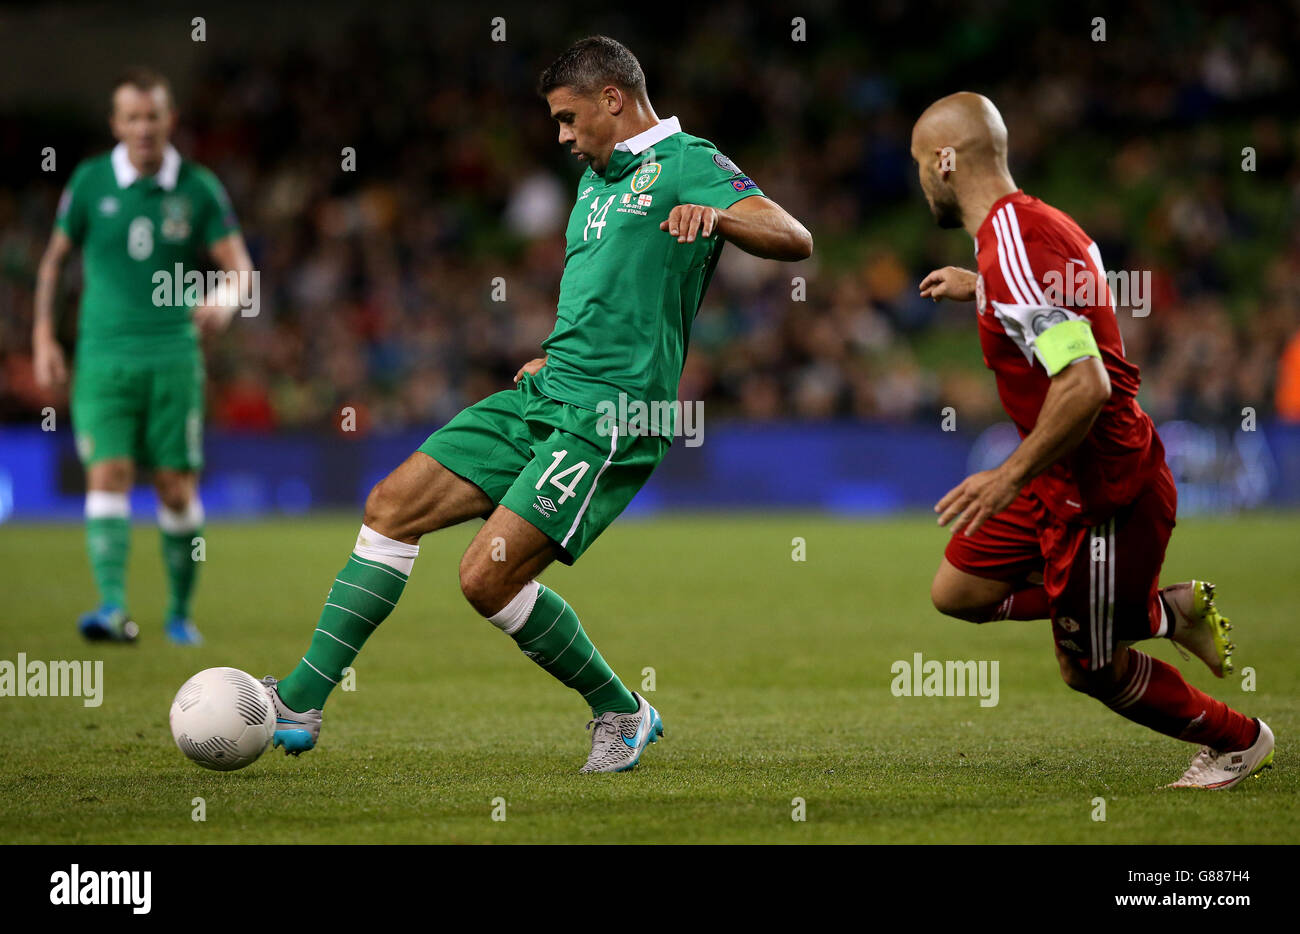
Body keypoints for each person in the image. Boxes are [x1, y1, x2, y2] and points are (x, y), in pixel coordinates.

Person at [261, 36, 812, 773]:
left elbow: (795, 236)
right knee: (390, 505)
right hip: (545, 393)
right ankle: (301, 697)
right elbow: (607, 291)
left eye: (566, 117)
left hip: (609, 417)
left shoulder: (688, 163)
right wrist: (556, 353)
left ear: (612, 99)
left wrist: (720, 219)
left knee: (485, 576)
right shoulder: (595, 179)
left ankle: (621, 710)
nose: (560, 136)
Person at [912, 91, 1272, 789]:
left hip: (1099, 493)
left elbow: (1086, 382)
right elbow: (1058, 310)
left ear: (947, 161)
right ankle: (1165, 611)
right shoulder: (1033, 229)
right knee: (957, 591)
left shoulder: (1014, 247)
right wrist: (983, 286)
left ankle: (1240, 740)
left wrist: (1006, 475)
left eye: (922, 162)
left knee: (1089, 667)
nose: (921, 177)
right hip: (1060, 476)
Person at [33, 68, 254, 646]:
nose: (143, 128)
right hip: (102, 355)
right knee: (106, 472)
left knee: (175, 488)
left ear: (169, 120)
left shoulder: (199, 188)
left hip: (172, 356)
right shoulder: (87, 182)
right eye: (131, 117)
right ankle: (111, 609)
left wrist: (225, 302)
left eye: (152, 116)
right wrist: (43, 337)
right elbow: (55, 261)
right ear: (116, 124)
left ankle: (179, 614)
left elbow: (241, 271)